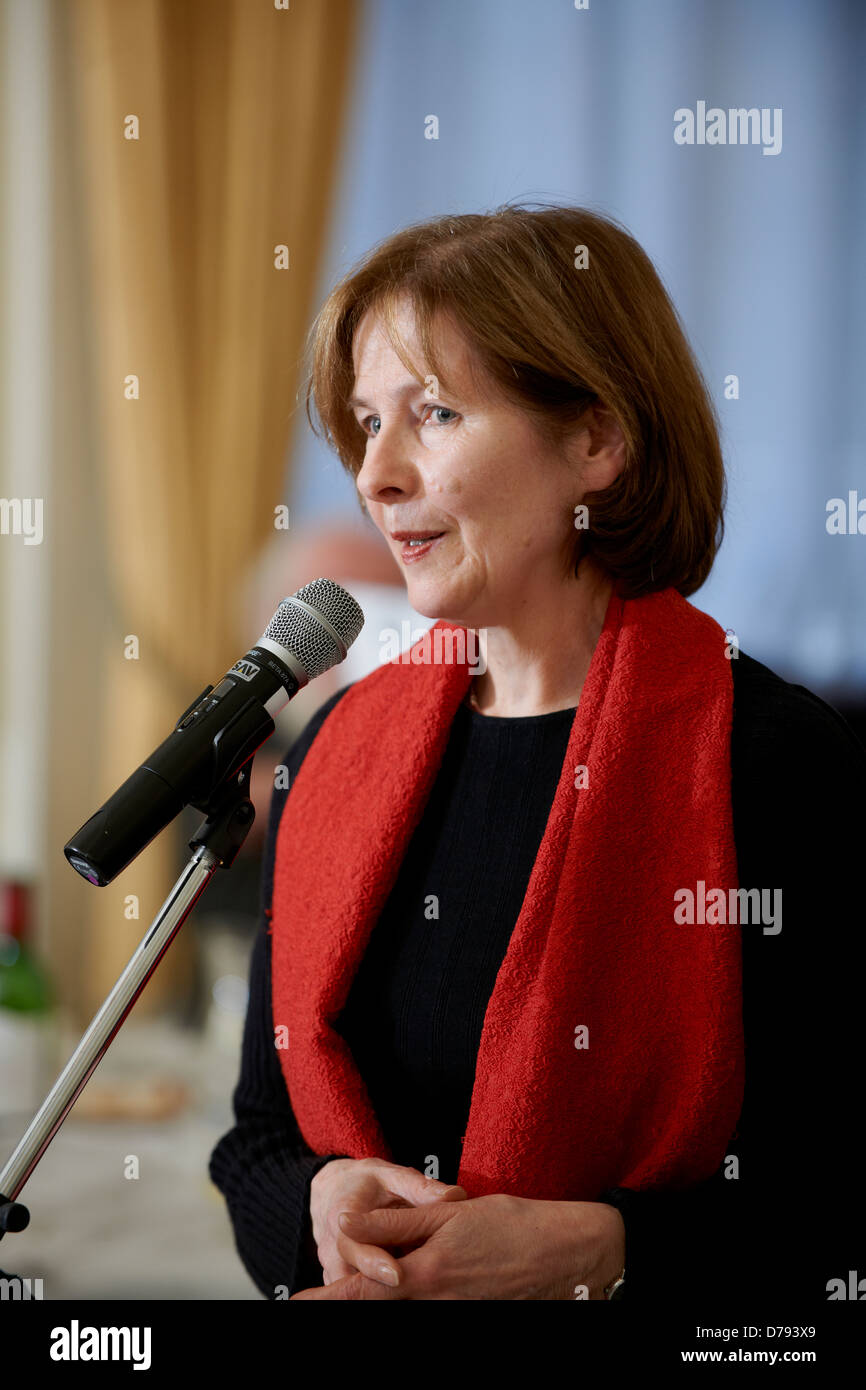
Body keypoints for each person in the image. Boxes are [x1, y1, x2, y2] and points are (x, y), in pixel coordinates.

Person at [209, 203, 865, 1303]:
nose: (374, 474)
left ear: (595, 442)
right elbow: (256, 1148)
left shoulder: (776, 759)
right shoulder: (333, 746)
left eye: (433, 413)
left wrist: (611, 1257)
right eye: (365, 423)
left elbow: (837, 1196)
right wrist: (322, 1218)